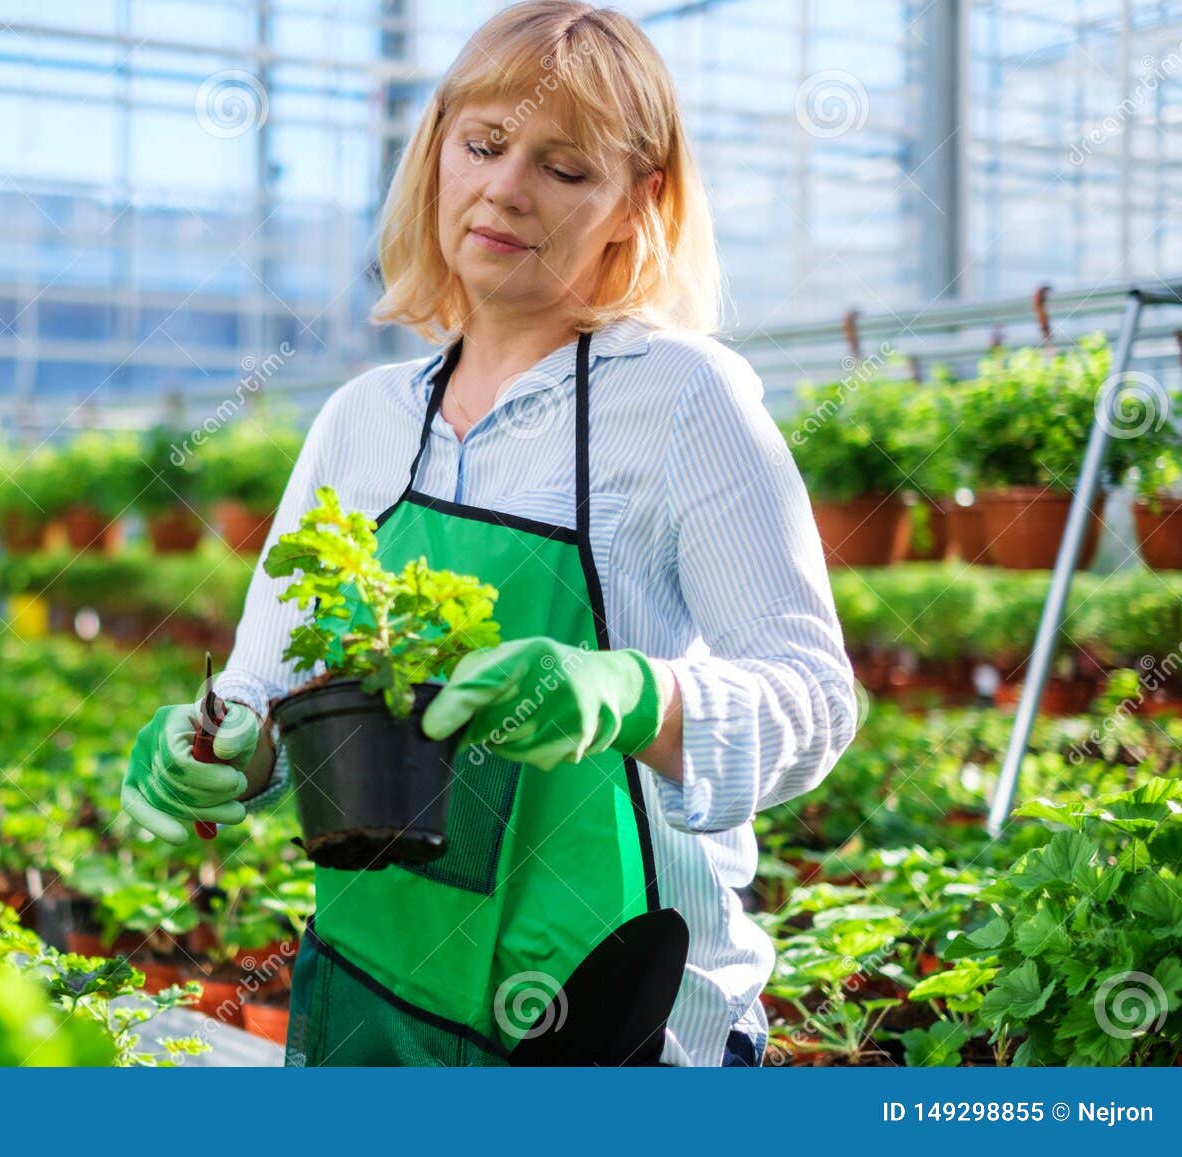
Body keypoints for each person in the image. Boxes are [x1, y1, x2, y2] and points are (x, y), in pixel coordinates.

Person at [121, 0, 858, 1067]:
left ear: (633, 202)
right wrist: (222, 747)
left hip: (605, 1011)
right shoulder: (362, 418)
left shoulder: (685, 398)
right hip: (372, 993)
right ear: (436, 156)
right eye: (484, 144)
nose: (507, 188)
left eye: (566, 168)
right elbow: (267, 687)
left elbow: (813, 698)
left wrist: (635, 695)